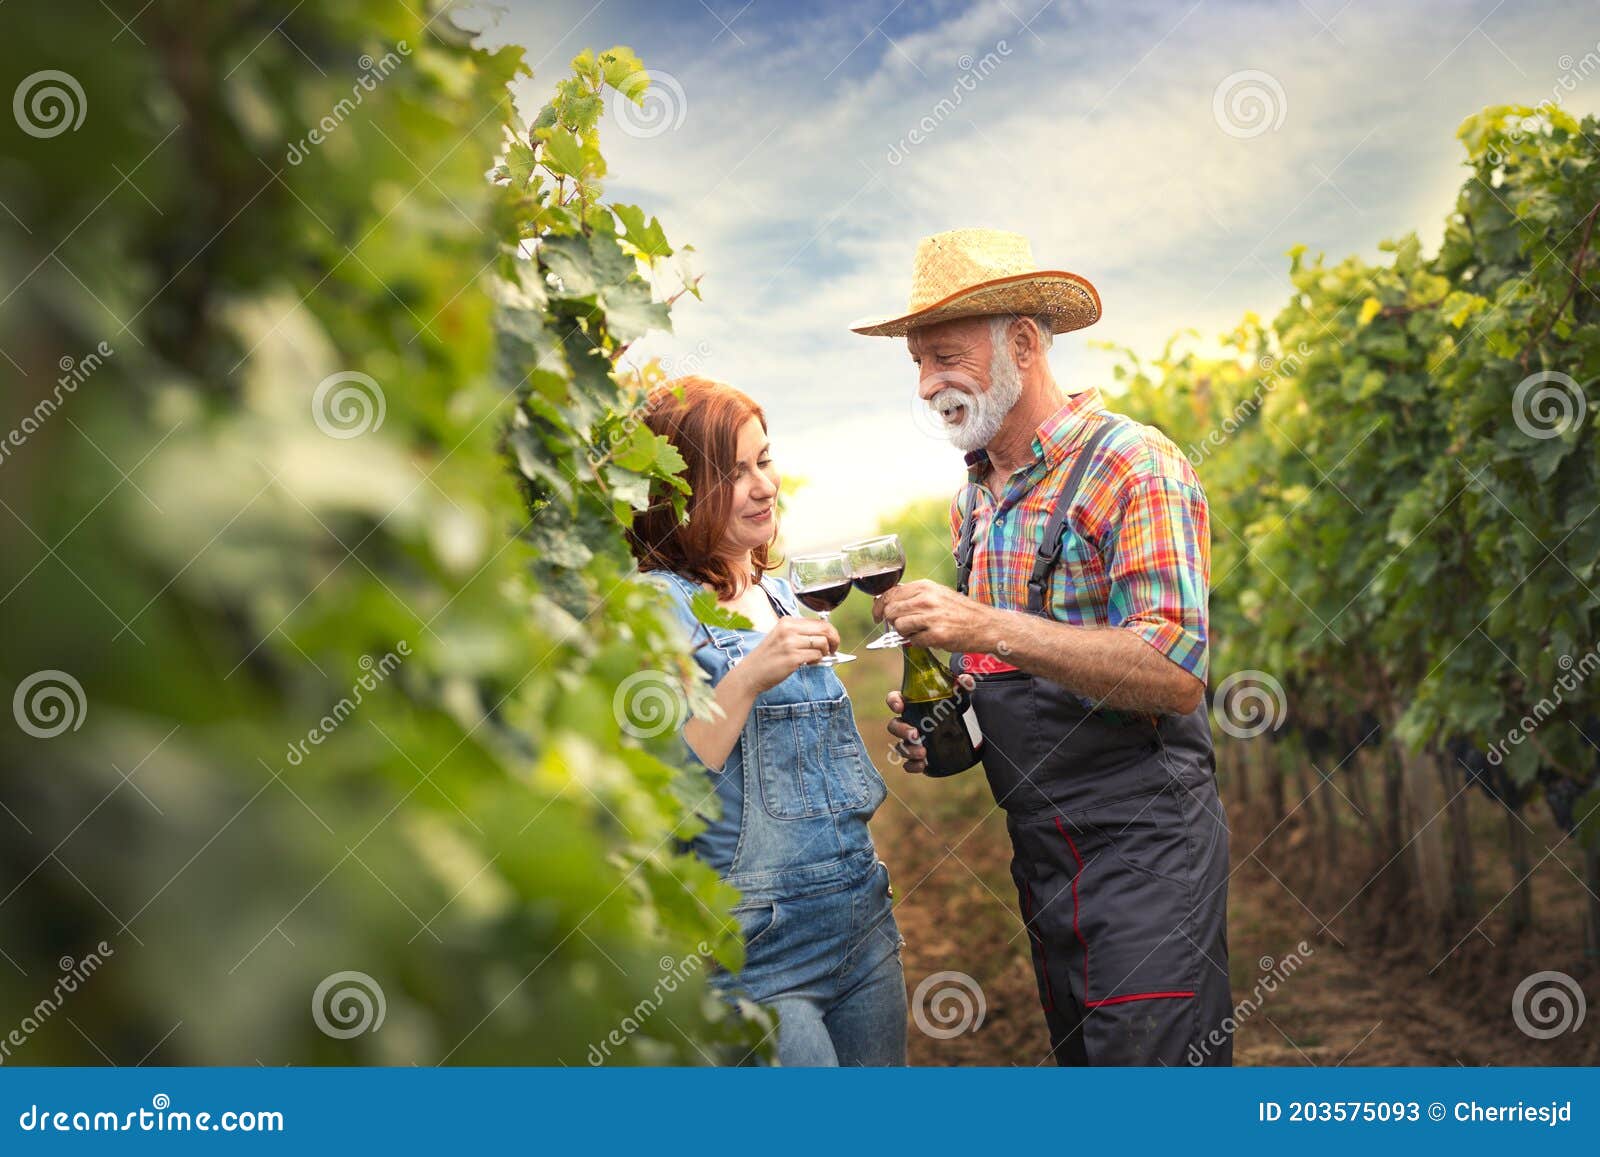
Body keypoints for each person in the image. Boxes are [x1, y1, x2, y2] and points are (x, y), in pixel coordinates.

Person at [854, 228, 1232, 1066]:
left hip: (1146, 847)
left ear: (1023, 343)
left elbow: (1173, 672)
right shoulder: (974, 501)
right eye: (916, 363)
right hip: (1042, 852)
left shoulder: (1134, 467)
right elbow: (1014, 669)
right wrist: (951, 721)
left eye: (944, 357)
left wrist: (980, 624)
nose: (925, 386)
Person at [627, 375, 907, 1066]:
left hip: (863, 923)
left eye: (764, 461)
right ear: (679, 492)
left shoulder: (783, 596)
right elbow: (665, 787)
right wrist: (750, 674)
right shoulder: (655, 607)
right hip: (757, 952)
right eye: (732, 473)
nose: (762, 486)